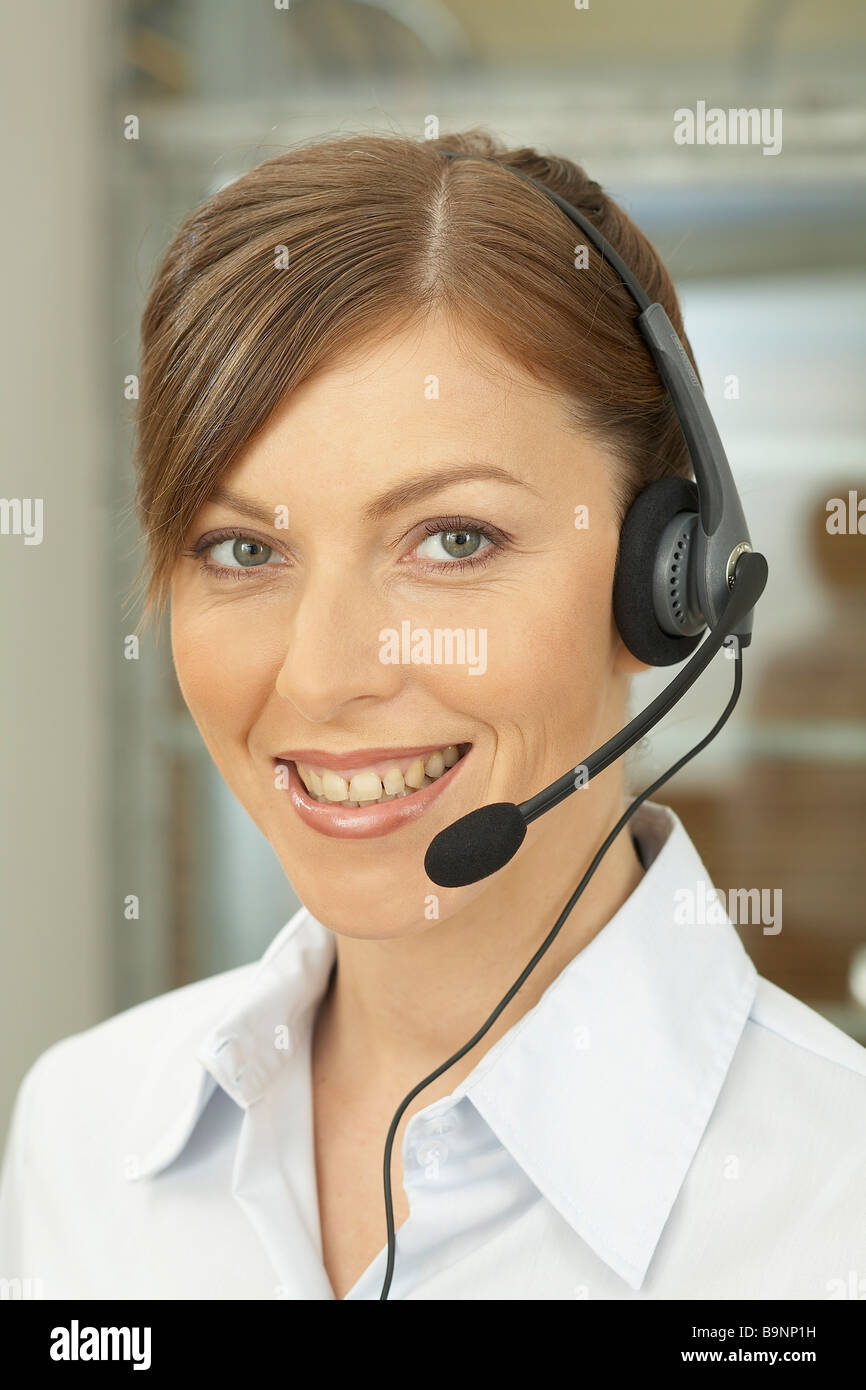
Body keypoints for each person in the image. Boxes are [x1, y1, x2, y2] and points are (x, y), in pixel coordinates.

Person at [1, 130, 864, 1301]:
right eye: (241, 548)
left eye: (452, 540)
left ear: (670, 577)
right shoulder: (85, 1130)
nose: (320, 676)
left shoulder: (829, 1207)